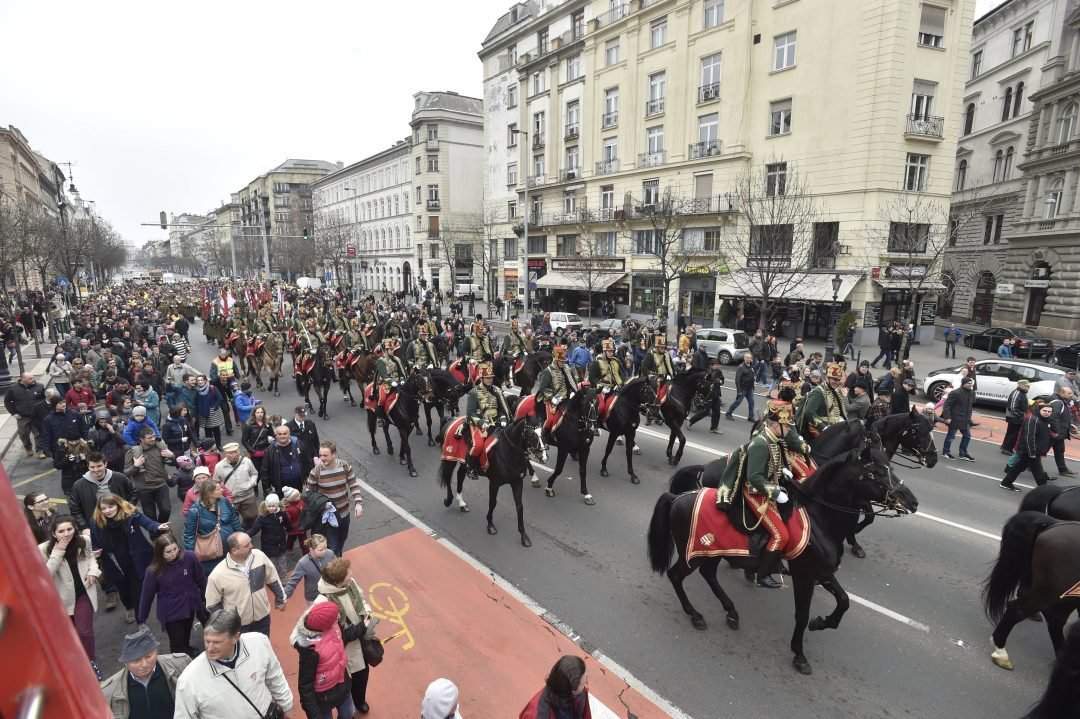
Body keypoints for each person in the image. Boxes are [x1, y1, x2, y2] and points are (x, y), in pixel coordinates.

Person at [716, 399, 809, 588]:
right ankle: (763, 574)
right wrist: (775, 492)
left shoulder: (774, 440)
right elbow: (754, 477)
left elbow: (771, 463)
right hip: (756, 494)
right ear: (776, 426)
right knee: (780, 535)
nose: (789, 431)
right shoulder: (761, 443)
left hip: (768, 488)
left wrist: (782, 470)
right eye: (786, 427)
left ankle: (772, 558)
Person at [173, 608, 294, 719]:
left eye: (217, 642)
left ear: (235, 637)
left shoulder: (259, 643)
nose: (209, 648)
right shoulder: (188, 680)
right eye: (207, 641)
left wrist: (287, 707)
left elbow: (275, 677)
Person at [40, 515, 102, 676]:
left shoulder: (83, 541)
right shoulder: (44, 549)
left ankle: (91, 662)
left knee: (84, 632)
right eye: (61, 531)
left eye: (69, 529)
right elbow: (46, 574)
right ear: (54, 534)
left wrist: (93, 572)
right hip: (61, 600)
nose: (66, 534)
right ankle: (79, 663)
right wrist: (58, 551)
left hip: (83, 593)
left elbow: (91, 558)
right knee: (72, 636)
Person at [91, 494, 167, 624]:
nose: (107, 511)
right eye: (104, 508)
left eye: (111, 506)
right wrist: (95, 550)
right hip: (114, 562)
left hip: (134, 558)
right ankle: (128, 606)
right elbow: (94, 541)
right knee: (123, 588)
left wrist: (157, 526)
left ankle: (140, 621)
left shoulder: (130, 514)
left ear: (118, 505)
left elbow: (145, 521)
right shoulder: (96, 522)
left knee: (137, 589)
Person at [312, 557, 374, 715]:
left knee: (362, 674)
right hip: (342, 650)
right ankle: (350, 708)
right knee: (346, 681)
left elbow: (362, 600)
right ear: (338, 581)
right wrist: (362, 626)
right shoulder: (323, 601)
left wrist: (366, 612)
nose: (351, 574)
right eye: (347, 574)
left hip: (359, 642)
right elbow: (338, 635)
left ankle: (360, 701)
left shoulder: (350, 584)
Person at [100, 624, 192, 719]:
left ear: (156, 651)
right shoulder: (109, 692)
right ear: (125, 662)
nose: (144, 664)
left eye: (148, 656)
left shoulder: (181, 665)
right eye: (136, 660)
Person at [138, 533, 207, 656]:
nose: (173, 554)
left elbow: (201, 579)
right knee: (176, 643)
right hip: (171, 613)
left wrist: (205, 598)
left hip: (190, 605)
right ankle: (179, 662)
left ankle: (187, 649)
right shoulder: (153, 571)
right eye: (168, 552)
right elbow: (146, 596)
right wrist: (142, 619)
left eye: (175, 549)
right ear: (160, 553)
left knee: (186, 633)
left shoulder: (189, 558)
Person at [205, 532, 286, 636]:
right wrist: (227, 624)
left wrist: (281, 598)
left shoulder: (259, 556)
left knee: (262, 649)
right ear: (234, 550)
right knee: (242, 651)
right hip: (238, 626)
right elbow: (212, 604)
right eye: (247, 545)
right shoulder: (218, 574)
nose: (252, 546)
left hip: (262, 618)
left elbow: (272, 578)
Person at [291, 602, 355, 719]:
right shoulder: (310, 651)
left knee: (348, 714)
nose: (338, 617)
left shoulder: (334, 626)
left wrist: (361, 628)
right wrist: (314, 715)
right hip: (323, 697)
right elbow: (305, 686)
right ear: (325, 624)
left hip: (342, 684)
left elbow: (342, 638)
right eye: (335, 616)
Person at [304, 441, 363, 558]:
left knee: (341, 540)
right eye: (320, 455)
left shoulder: (345, 466)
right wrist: (322, 504)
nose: (322, 458)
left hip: (344, 513)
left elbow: (353, 485)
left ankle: (337, 559)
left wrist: (358, 503)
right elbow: (308, 494)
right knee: (333, 546)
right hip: (328, 517)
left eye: (325, 455)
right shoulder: (316, 471)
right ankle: (334, 570)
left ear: (334, 454)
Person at [183, 477, 243, 573]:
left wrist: (241, 535)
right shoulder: (195, 511)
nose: (222, 490)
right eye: (218, 489)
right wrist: (190, 557)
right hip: (211, 554)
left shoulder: (224, 501)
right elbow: (189, 535)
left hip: (230, 547)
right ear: (209, 493)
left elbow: (234, 519)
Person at [70, 451, 138, 533]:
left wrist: (127, 510)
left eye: (99, 466)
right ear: (88, 466)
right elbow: (75, 509)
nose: (96, 470)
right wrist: (84, 527)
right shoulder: (78, 485)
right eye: (92, 467)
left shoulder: (120, 478)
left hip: (121, 521)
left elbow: (133, 493)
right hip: (97, 526)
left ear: (105, 464)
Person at [124, 426, 175, 522]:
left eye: (154, 436)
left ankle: (160, 528)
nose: (153, 439)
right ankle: (155, 534)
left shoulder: (160, 447)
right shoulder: (132, 452)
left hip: (161, 485)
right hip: (144, 489)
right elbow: (126, 472)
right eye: (149, 437)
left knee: (166, 510)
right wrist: (136, 466)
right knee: (150, 516)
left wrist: (172, 456)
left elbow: (174, 464)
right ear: (141, 439)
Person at [1001, 401, 1054, 491]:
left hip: (1034, 450)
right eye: (1045, 411)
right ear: (1039, 410)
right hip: (1030, 450)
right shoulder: (1033, 419)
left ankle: (1006, 482)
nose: (1047, 413)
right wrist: (1032, 452)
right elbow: (1029, 437)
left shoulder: (1045, 421)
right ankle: (1044, 489)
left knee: (1019, 467)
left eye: (1049, 412)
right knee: (1038, 471)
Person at [519, 655, 591, 719]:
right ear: (572, 690)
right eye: (583, 683)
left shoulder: (580, 694)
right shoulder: (535, 714)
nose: (586, 683)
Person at [534, 345, 580, 439]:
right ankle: (544, 437)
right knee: (550, 419)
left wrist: (574, 391)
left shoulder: (567, 368)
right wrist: (552, 398)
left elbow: (573, 382)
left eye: (564, 361)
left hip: (567, 397)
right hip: (553, 399)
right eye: (561, 361)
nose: (563, 363)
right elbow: (543, 388)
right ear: (555, 360)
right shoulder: (548, 371)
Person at [795, 362, 848, 440]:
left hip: (836, 426)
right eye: (834, 379)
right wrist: (823, 427)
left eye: (838, 380)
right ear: (827, 378)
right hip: (822, 429)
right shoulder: (819, 392)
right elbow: (809, 412)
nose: (836, 382)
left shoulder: (835, 391)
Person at [214, 442, 260, 526]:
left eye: (235, 452)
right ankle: (238, 532)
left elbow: (254, 473)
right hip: (231, 499)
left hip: (248, 496)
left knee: (252, 516)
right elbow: (216, 482)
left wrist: (251, 483)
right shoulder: (219, 466)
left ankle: (246, 528)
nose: (233, 455)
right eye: (230, 453)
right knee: (231, 519)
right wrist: (223, 492)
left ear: (239, 452)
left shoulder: (247, 461)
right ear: (225, 454)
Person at [284, 533, 336, 605]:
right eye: (321, 550)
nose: (325, 551)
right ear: (311, 549)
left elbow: (337, 569)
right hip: (314, 597)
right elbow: (293, 582)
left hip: (330, 592)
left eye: (326, 547)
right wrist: (283, 597)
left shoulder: (330, 553)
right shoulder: (303, 563)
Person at [5, 371, 47, 458]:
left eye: (33, 377)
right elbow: (7, 401)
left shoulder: (39, 386)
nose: (33, 380)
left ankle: (40, 451)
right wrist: (14, 413)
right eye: (30, 378)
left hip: (36, 416)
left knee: (38, 433)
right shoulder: (13, 389)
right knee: (23, 434)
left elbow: (44, 399)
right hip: (22, 416)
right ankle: (28, 448)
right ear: (23, 379)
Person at [249, 493, 291, 579]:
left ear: (277, 505)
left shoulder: (282, 514)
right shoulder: (262, 518)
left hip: (281, 543)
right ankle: (272, 578)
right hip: (268, 545)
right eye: (269, 506)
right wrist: (246, 535)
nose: (271, 508)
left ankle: (283, 578)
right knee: (271, 564)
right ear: (266, 505)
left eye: (273, 506)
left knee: (282, 563)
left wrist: (290, 529)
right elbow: (254, 529)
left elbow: (287, 524)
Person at [262, 424, 307, 495]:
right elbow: (264, 471)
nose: (282, 436)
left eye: (285, 434)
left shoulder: (298, 444)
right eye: (279, 434)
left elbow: (306, 461)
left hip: (297, 484)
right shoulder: (270, 450)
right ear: (276, 436)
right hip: (280, 487)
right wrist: (267, 489)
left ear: (289, 434)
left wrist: (306, 476)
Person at [942, 376, 976, 461]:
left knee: (967, 436)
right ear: (963, 384)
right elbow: (947, 405)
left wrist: (969, 419)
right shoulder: (955, 393)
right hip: (955, 419)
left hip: (965, 420)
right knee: (951, 436)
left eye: (971, 383)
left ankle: (963, 453)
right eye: (968, 383)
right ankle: (946, 452)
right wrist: (947, 417)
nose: (970, 385)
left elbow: (971, 405)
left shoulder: (972, 393)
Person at [688, 355, 724, 434]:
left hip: (716, 394)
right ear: (711, 365)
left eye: (718, 365)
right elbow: (703, 384)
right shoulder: (707, 373)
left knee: (717, 412)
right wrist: (712, 382)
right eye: (716, 365)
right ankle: (691, 421)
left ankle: (714, 428)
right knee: (705, 412)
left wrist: (720, 381)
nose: (717, 366)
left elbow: (722, 380)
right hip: (708, 395)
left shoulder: (719, 372)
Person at [1047, 386, 1076, 477]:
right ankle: (1025, 465)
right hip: (1054, 433)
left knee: (1059, 451)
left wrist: (1069, 425)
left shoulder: (1063, 402)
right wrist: (1056, 432)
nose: (1072, 395)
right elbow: (1053, 418)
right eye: (1069, 393)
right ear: (1062, 393)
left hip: (1059, 434)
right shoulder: (1058, 403)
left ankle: (1063, 469)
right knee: (1041, 450)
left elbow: (1062, 417)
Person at [725, 353, 757, 424]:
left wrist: (753, 386)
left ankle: (751, 417)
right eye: (747, 358)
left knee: (751, 403)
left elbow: (752, 376)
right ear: (744, 358)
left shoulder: (751, 366)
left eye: (750, 358)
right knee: (737, 402)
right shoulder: (741, 367)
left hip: (749, 389)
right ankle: (728, 413)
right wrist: (739, 391)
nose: (749, 359)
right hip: (743, 389)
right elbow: (737, 380)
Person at [1002, 380, 1030, 455]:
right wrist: (1022, 415)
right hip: (1014, 417)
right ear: (1021, 385)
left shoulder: (1022, 393)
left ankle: (1006, 447)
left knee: (1013, 433)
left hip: (1017, 417)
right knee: (1012, 433)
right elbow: (1013, 407)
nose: (1028, 387)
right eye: (1027, 386)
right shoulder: (1017, 393)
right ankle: (1007, 449)